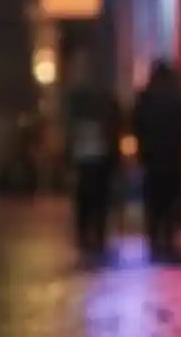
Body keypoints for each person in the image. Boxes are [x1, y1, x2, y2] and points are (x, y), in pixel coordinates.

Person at [133, 61, 181, 261]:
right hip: (172, 156)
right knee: (170, 197)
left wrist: (142, 149)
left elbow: (137, 124)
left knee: (154, 199)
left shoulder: (145, 99)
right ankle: (168, 236)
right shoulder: (178, 100)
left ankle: (154, 235)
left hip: (152, 157)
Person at [65, 55, 121, 256]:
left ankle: (87, 232)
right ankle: (96, 232)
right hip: (97, 153)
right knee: (97, 195)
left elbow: (69, 126)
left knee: (87, 196)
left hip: (86, 153)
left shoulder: (76, 99)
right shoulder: (104, 98)